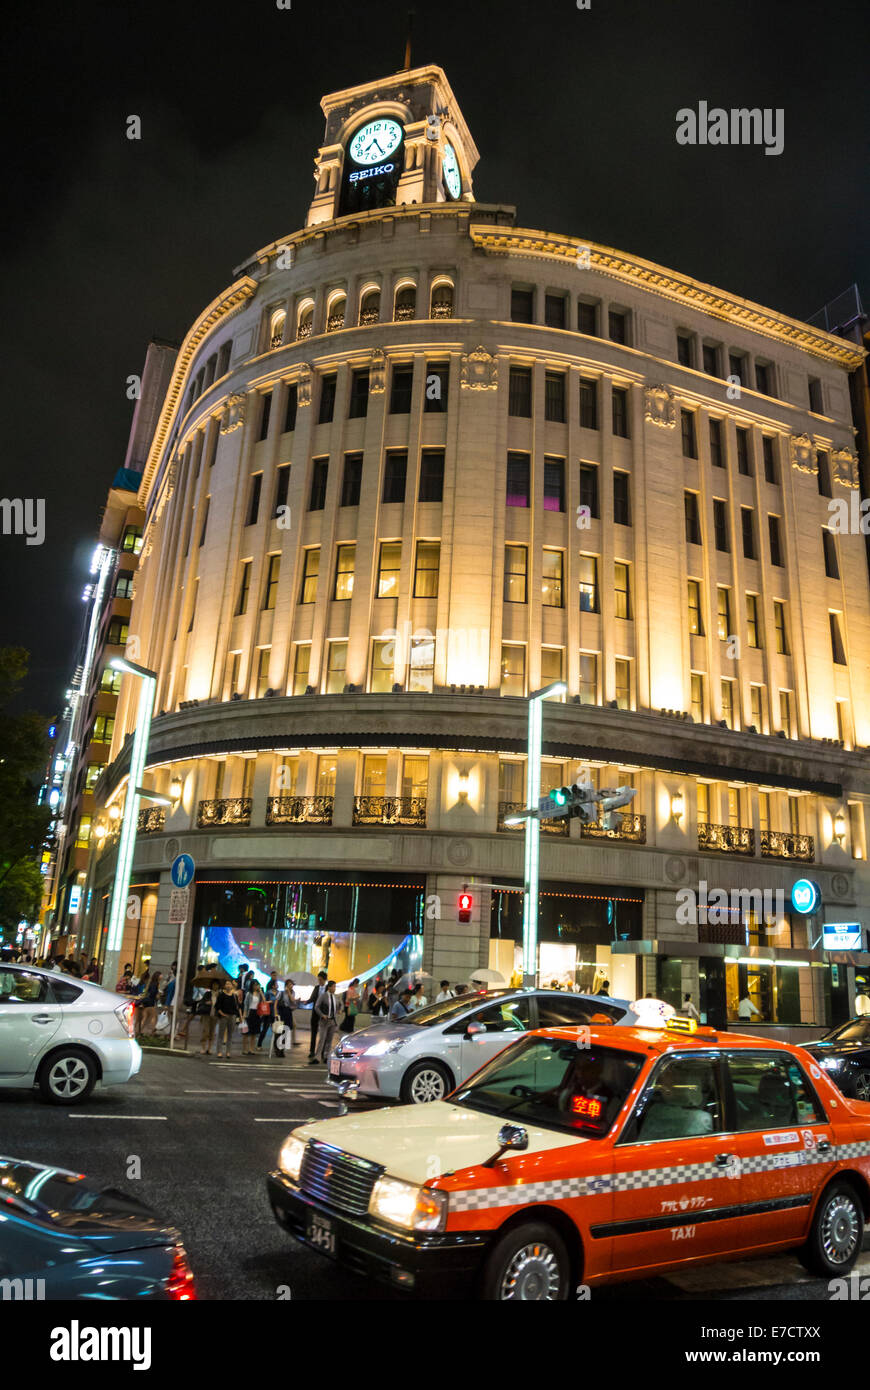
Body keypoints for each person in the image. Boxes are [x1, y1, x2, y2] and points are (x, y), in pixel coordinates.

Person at [312, 980, 339, 1064]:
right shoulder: (323, 996)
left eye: (335, 987)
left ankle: (326, 1056)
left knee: (329, 1040)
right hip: (324, 1021)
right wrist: (322, 1015)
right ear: (329, 987)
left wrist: (339, 1010)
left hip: (332, 1021)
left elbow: (338, 1006)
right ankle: (317, 1057)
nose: (335, 988)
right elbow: (316, 1006)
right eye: (333, 986)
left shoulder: (335, 997)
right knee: (322, 1039)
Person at [215, 979, 242, 1058]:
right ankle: (219, 1052)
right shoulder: (221, 994)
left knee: (230, 1035)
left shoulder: (234, 995)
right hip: (223, 1016)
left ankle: (228, 1052)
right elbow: (217, 1006)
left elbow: (237, 1007)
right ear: (224, 985)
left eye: (229, 984)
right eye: (226, 984)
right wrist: (222, 1014)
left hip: (232, 1016)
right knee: (221, 1034)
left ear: (232, 986)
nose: (228, 986)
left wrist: (239, 1016)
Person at [308, 971, 328, 1060]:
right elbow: (312, 998)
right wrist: (306, 1002)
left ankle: (322, 1052)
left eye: (320, 980)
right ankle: (312, 1051)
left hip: (324, 1014)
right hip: (315, 1012)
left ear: (324, 980)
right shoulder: (316, 988)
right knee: (313, 1032)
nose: (319, 981)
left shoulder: (328, 988)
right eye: (318, 979)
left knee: (323, 1034)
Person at [242, 979, 265, 1054]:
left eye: (257, 984)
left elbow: (264, 1001)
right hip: (249, 1013)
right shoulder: (249, 993)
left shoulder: (259, 994)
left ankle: (251, 1049)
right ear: (252, 986)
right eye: (255, 985)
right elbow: (245, 1005)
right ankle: (245, 1049)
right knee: (246, 1033)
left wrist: (261, 992)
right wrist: (244, 1015)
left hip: (257, 1013)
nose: (256, 986)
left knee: (254, 1033)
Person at [199, 980, 221, 1055]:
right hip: (206, 1015)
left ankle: (209, 1048)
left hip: (215, 1015)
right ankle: (203, 1047)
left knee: (212, 1032)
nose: (215, 986)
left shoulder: (220, 995)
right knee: (205, 1031)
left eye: (217, 985)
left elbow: (221, 1005)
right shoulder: (207, 994)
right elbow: (201, 1003)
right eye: (214, 984)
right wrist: (207, 1003)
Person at [275, 979, 297, 1051]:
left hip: (288, 1012)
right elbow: (276, 1003)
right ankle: (277, 1047)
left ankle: (282, 1046)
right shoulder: (281, 993)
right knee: (280, 1030)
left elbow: (292, 1001)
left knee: (287, 1029)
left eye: (292, 984)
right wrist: (275, 1013)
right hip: (281, 1012)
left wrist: (289, 993)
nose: (291, 986)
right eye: (289, 984)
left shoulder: (293, 992)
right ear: (286, 985)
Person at [138, 972, 162, 1037]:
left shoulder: (150, 983)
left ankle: (140, 1031)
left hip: (146, 1001)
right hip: (151, 1002)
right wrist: (157, 995)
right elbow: (153, 993)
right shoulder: (155, 984)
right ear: (157, 976)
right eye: (160, 975)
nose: (162, 976)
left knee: (145, 1017)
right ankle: (151, 1032)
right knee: (154, 1017)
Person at [259, 974, 279, 1050]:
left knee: (277, 1031)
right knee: (265, 1029)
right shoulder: (268, 992)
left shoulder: (279, 993)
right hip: (268, 1013)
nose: (277, 985)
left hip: (276, 1014)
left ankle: (276, 1047)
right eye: (276, 984)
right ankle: (259, 1044)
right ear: (273, 986)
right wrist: (271, 1001)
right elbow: (264, 1001)